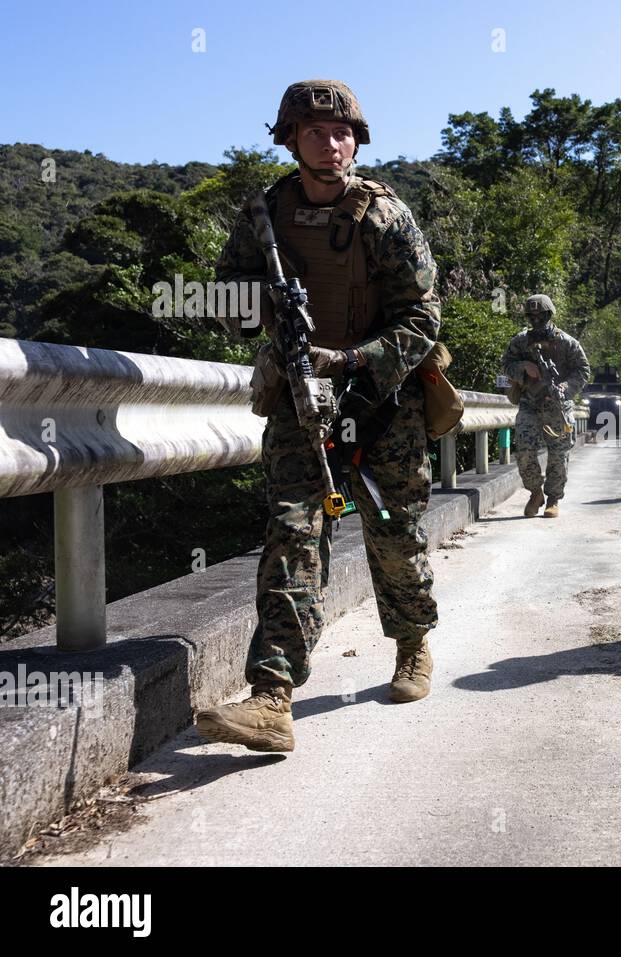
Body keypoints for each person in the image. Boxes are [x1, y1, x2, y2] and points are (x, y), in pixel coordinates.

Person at [196, 79, 442, 752]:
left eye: (341, 134)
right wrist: (264, 307)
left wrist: (353, 359)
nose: (331, 144)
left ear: (356, 141)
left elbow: (424, 319)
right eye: (314, 133)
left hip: (382, 400)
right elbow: (225, 301)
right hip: (301, 399)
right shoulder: (266, 215)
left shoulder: (387, 217)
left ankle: (413, 644)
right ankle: (272, 696)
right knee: (292, 535)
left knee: (395, 535)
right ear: (290, 140)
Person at [501, 295, 591, 518]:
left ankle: (553, 499)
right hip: (529, 404)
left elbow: (583, 370)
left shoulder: (568, 343)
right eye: (531, 316)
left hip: (557, 407)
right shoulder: (521, 341)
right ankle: (535, 493)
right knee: (524, 451)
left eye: (540, 315)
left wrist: (564, 388)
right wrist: (524, 367)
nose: (535, 319)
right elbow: (506, 365)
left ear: (549, 315)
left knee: (558, 455)